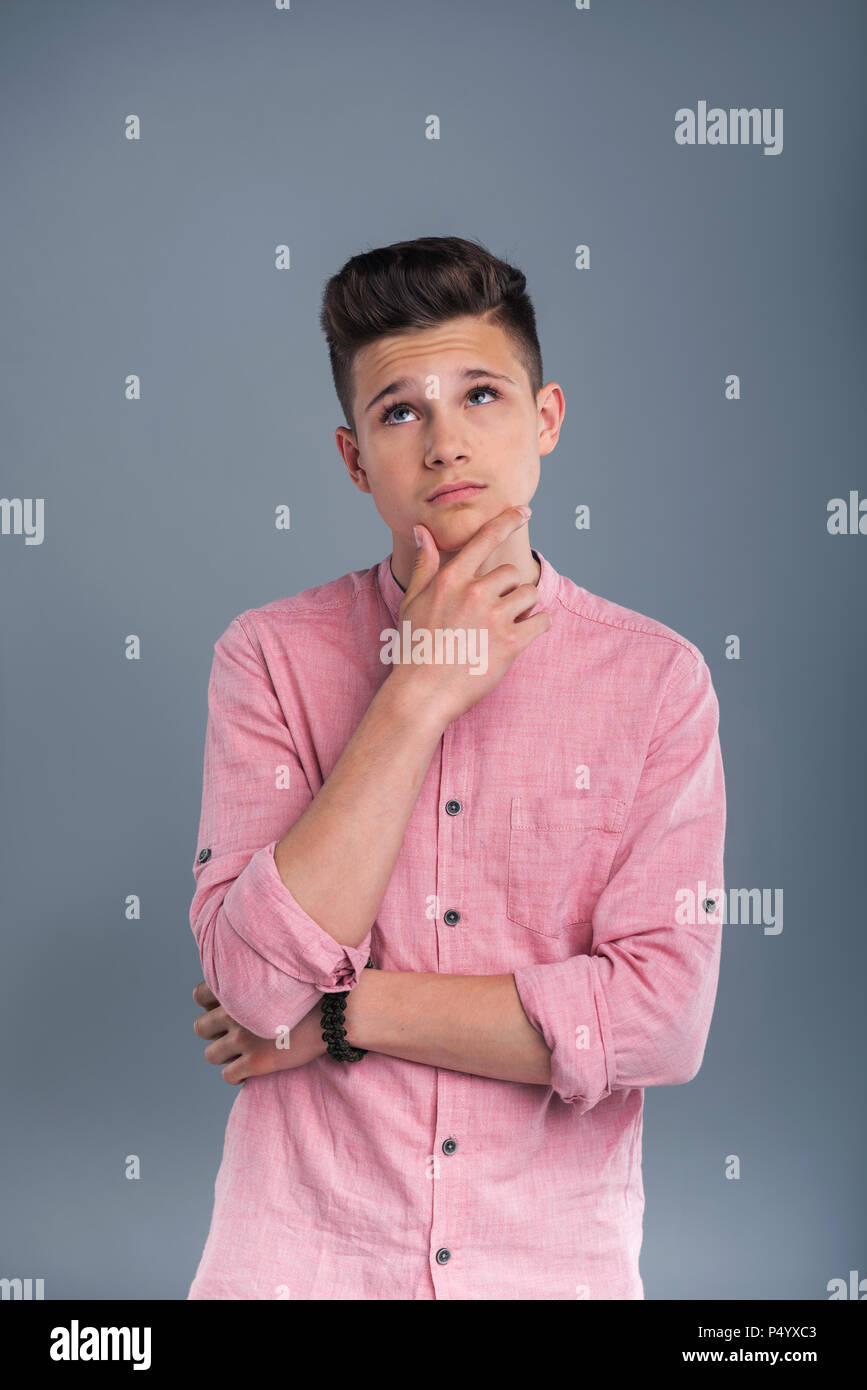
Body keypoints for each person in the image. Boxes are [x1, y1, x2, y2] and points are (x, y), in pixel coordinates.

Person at [186, 235, 726, 1300]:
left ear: (547, 420)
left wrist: (339, 1014)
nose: (445, 443)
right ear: (354, 459)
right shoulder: (268, 658)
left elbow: (659, 1020)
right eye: (400, 410)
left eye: (481, 393)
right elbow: (253, 993)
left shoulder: (659, 681)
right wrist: (420, 691)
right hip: (299, 1263)